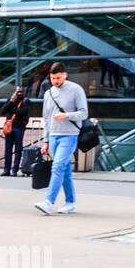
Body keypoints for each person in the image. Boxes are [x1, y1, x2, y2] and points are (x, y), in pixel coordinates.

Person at [35, 62, 87, 216]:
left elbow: (84, 113)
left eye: (58, 78)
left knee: (57, 166)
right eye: (52, 78)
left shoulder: (76, 90)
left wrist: (67, 115)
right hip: (53, 136)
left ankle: (48, 202)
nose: (55, 81)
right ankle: (70, 203)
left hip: (69, 135)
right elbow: (46, 118)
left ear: (65, 75)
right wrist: (45, 140)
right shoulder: (48, 93)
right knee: (64, 171)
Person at [0, 86, 31, 177]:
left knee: (18, 149)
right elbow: (2, 111)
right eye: (18, 91)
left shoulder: (26, 101)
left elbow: (23, 112)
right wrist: (11, 102)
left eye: (21, 91)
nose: (19, 93)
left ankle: (15, 170)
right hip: (9, 128)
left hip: (19, 128)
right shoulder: (11, 100)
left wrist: (12, 109)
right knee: (8, 150)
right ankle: (6, 170)